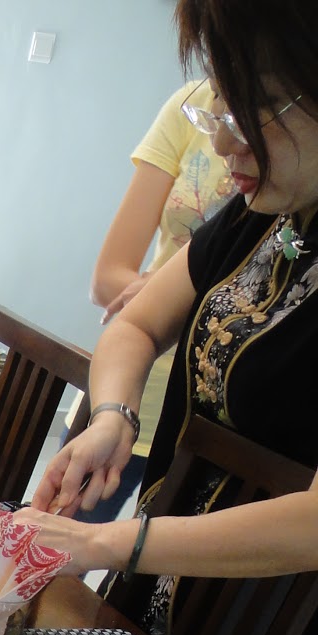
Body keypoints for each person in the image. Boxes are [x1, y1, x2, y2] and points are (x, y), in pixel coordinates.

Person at [27, 0, 318, 634]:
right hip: (162, 594)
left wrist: (111, 543)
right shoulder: (262, 216)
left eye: (250, 112)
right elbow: (136, 323)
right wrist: (113, 416)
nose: (220, 140)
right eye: (219, 107)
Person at [66, 78, 233, 523]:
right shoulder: (190, 103)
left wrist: (167, 293)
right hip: (136, 387)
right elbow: (108, 281)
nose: (225, 141)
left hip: (224, 427)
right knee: (47, 550)